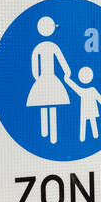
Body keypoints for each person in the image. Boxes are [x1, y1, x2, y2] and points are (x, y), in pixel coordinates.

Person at [26, 15, 70, 144]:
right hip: (49, 79)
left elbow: (35, 67)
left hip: (43, 79)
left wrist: (38, 78)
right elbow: (62, 62)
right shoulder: (51, 46)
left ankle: (47, 134)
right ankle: (49, 135)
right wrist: (67, 72)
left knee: (46, 104)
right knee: (50, 104)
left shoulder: (39, 47)